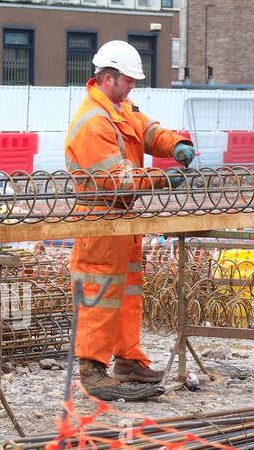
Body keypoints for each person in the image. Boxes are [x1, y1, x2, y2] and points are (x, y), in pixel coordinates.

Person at [65, 39, 197, 401]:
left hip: (122, 218)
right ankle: (92, 369)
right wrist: (161, 178)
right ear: (108, 79)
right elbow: (115, 178)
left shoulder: (121, 109)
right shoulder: (94, 122)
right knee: (100, 292)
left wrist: (176, 145)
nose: (133, 85)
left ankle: (127, 360)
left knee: (126, 294)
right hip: (99, 218)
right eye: (128, 79)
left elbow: (149, 131)